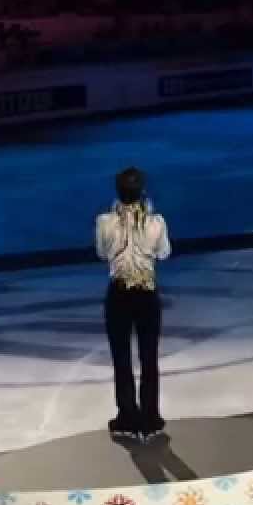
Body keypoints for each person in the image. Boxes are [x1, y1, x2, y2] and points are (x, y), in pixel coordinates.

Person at [96, 167, 172, 442]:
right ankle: (150, 417)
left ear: (118, 192)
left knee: (122, 357)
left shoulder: (104, 222)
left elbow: (102, 253)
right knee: (149, 357)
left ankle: (128, 415)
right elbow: (164, 253)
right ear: (142, 191)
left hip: (119, 295)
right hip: (146, 294)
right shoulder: (156, 222)